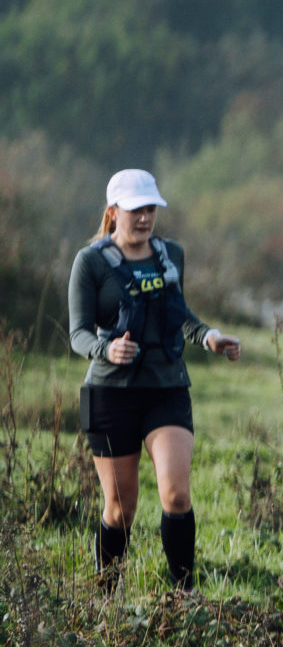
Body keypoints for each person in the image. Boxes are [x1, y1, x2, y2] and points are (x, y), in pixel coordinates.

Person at [65, 169, 243, 589]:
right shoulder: (89, 262)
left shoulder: (171, 255)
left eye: (150, 209)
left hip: (166, 389)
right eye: (135, 209)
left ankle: (184, 597)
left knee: (177, 496)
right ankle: (106, 597)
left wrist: (210, 337)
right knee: (120, 509)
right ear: (113, 212)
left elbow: (179, 315)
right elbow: (77, 332)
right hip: (110, 394)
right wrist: (106, 349)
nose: (144, 218)